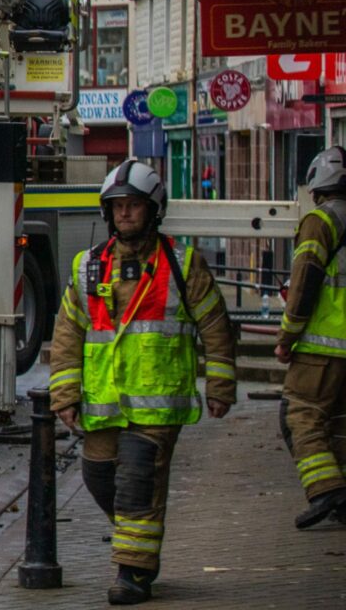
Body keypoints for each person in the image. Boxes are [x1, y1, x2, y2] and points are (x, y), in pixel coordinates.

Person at [48, 160, 236, 605]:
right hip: (104, 405)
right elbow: (68, 333)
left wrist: (221, 385)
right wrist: (65, 394)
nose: (124, 214)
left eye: (133, 205)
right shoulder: (88, 267)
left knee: (136, 484)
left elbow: (216, 326)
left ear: (153, 211)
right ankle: (138, 539)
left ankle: (132, 574)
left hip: (157, 406)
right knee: (99, 479)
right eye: (117, 206)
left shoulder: (183, 265)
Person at [275, 145, 346, 529]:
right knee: (339, 422)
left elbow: (304, 283)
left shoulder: (320, 221)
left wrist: (287, 335)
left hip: (323, 345)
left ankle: (324, 490)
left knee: (299, 416)